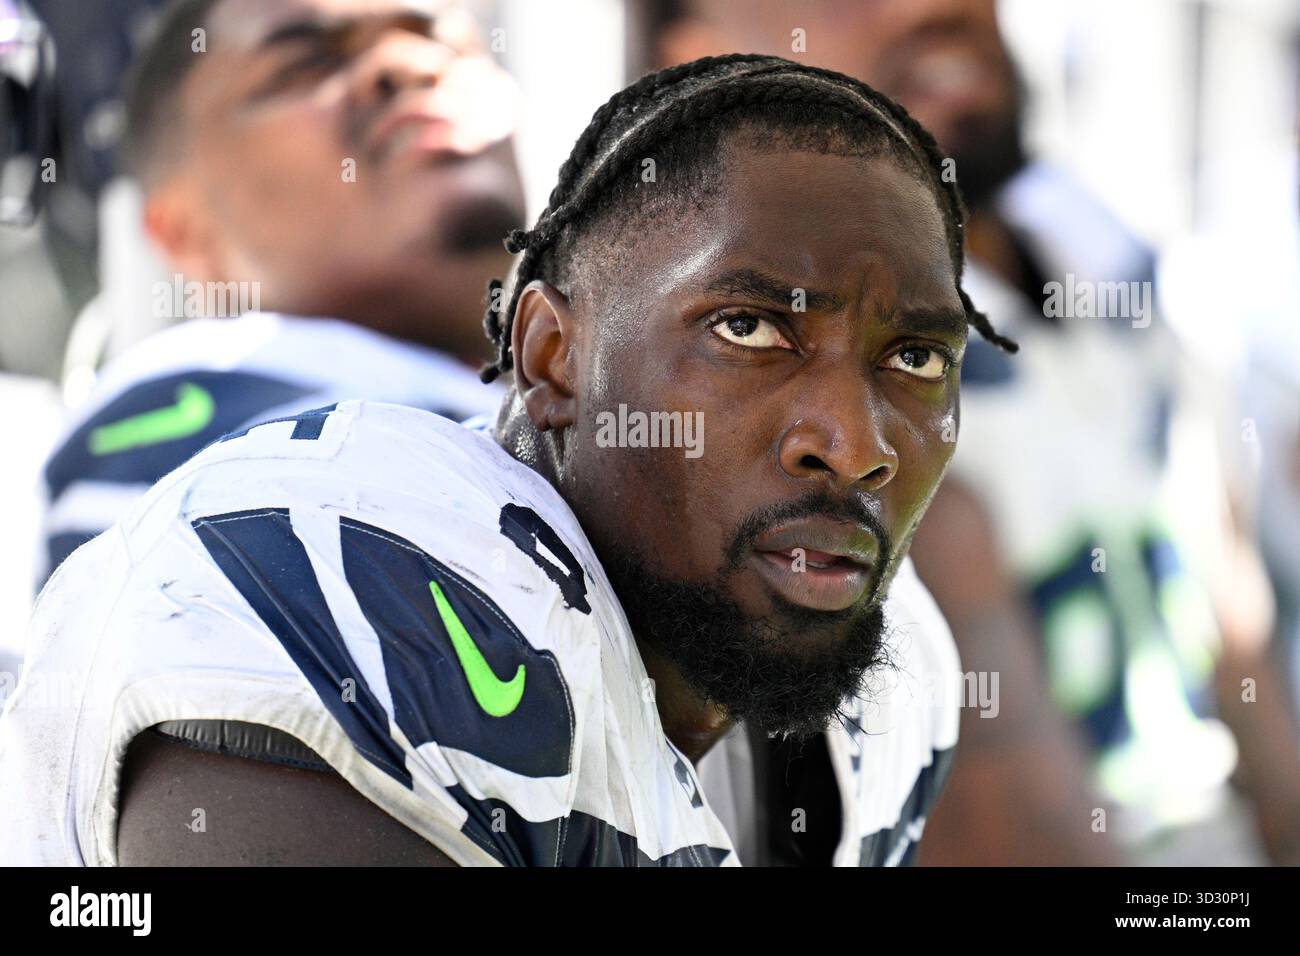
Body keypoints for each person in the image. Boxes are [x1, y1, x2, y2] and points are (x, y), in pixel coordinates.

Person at [0, 54, 1015, 866]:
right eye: (748, 328)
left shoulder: (891, 684)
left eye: (917, 356)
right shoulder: (353, 562)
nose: (857, 443)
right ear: (547, 355)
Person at [636, 0, 1297, 865]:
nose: (930, 6)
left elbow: (1239, 661)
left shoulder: (1109, 273)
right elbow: (1012, 839)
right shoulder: (742, 386)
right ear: (696, 48)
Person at [38, 0, 526, 583]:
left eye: (447, 45)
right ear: (183, 229)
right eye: (305, 65)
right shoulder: (189, 427)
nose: (408, 61)